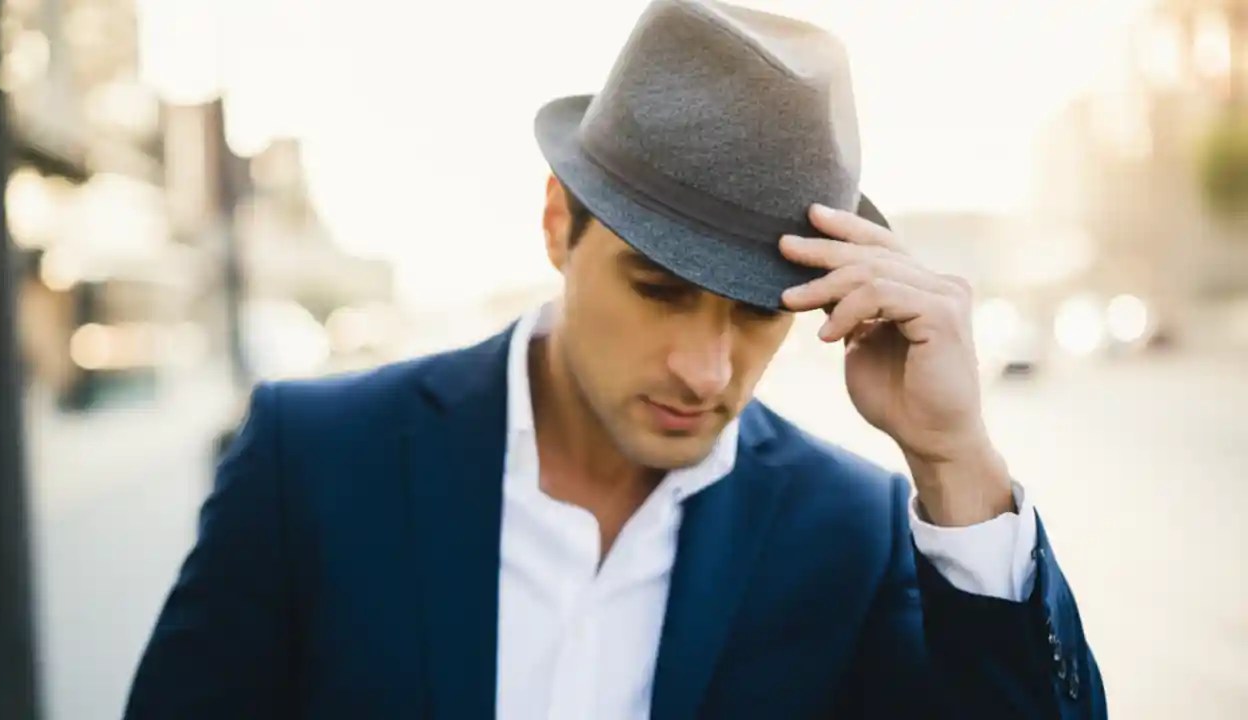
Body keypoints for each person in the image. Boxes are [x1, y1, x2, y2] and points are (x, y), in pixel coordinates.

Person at [125, 1, 1106, 718]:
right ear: (558, 225)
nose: (705, 371)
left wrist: (953, 458)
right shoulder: (312, 462)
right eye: (659, 290)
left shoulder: (852, 530)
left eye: (758, 312)